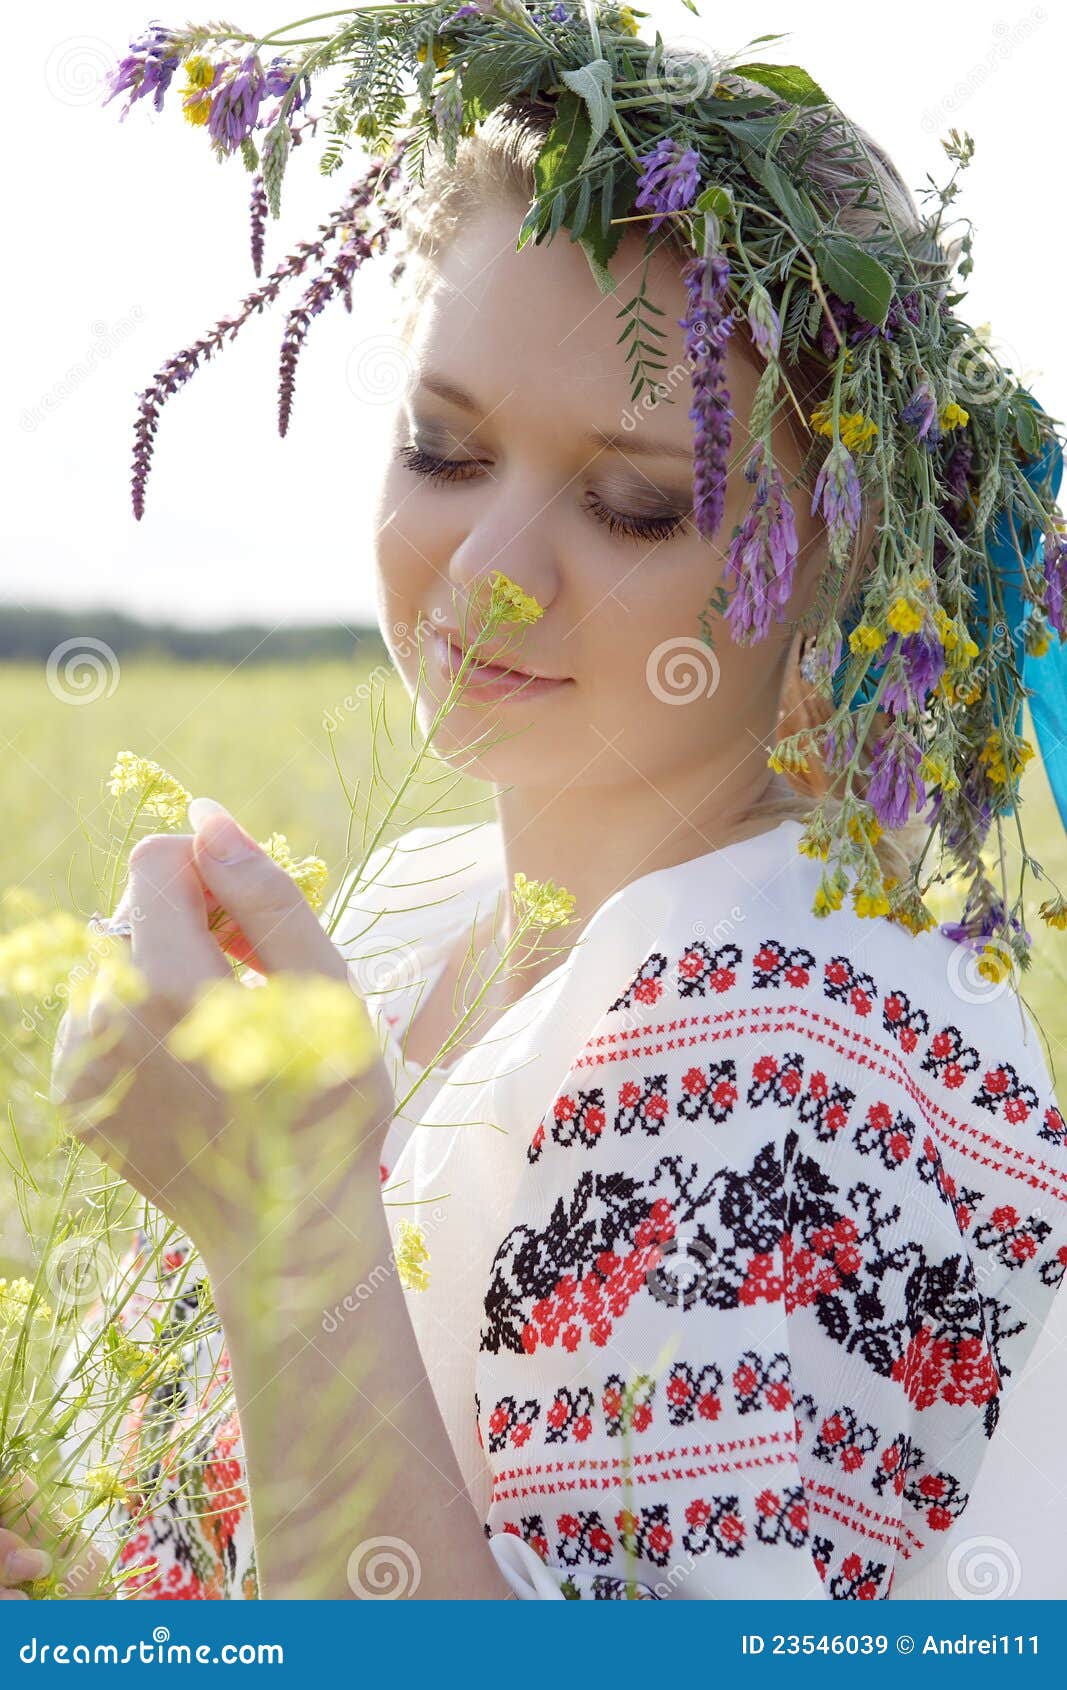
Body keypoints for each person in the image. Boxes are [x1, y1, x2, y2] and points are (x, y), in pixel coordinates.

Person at [4, 11, 1067, 1600]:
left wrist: (295, 1240)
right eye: (443, 447)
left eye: (633, 501)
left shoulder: (802, 1040)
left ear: (845, 570)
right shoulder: (404, 906)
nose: (489, 577)